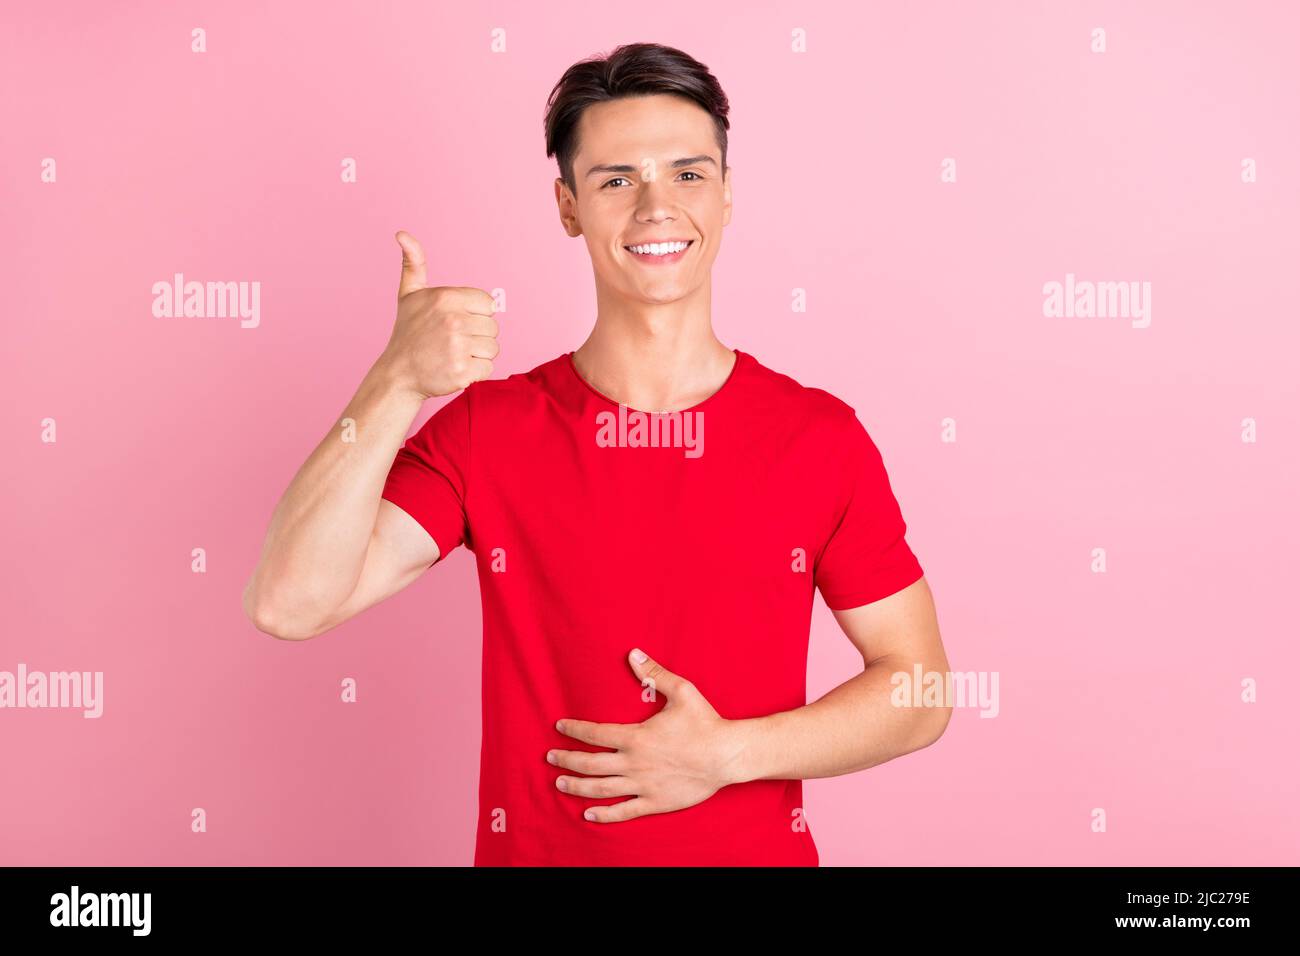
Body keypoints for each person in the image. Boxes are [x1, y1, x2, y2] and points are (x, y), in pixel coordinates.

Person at [242, 41, 951, 866]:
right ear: (568, 205)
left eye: (688, 174)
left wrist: (727, 754)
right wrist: (395, 382)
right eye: (617, 179)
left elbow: (920, 689)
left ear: (726, 196)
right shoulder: (489, 431)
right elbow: (289, 604)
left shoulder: (818, 438)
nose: (656, 207)